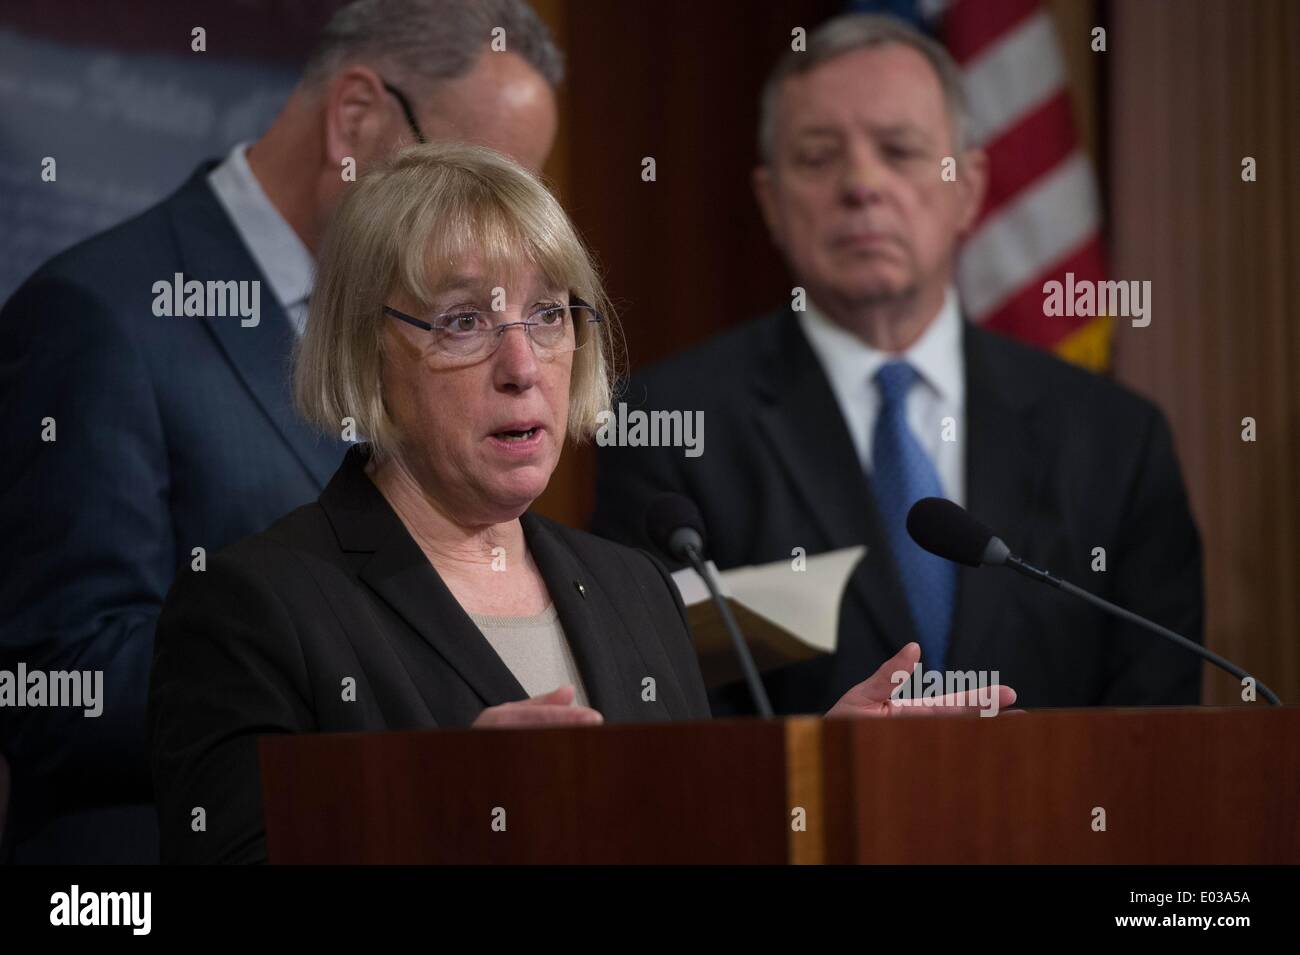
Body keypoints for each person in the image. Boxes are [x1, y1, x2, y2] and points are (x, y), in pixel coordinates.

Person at [146, 142, 1017, 865]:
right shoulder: (257, 605)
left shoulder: (635, 587)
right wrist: (442, 810)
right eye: (463, 322)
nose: (522, 365)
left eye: (550, 314)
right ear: (364, 354)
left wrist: (820, 773)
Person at [0, 0, 563, 863]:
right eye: (470, 172)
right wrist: (409, 702)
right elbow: (56, 686)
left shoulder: (448, 339)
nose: (492, 226)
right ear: (356, 118)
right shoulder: (99, 314)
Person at [592, 14, 1203, 715]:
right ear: (770, 202)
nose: (862, 185)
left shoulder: (1117, 441)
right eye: (819, 157)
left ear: (969, 188)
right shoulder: (667, 424)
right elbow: (653, 706)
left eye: (900, 150)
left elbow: (1154, 722)